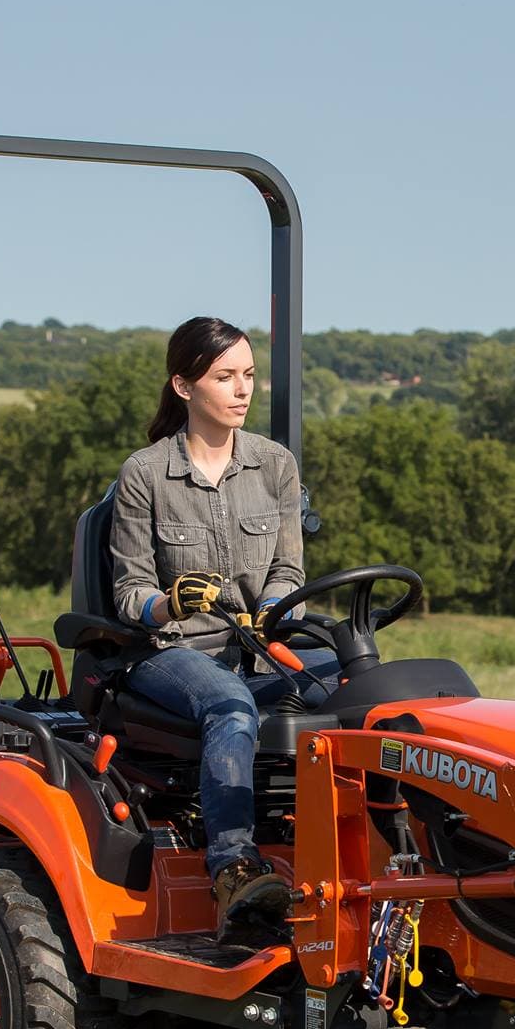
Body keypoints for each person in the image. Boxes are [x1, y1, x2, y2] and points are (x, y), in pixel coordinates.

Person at [108, 315, 333, 937]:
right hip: (169, 651)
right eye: (225, 377)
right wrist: (172, 604)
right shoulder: (145, 475)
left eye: (249, 376)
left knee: (358, 686)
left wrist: (278, 607)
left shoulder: (275, 466)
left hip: (259, 643)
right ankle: (233, 866)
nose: (242, 391)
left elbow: (289, 567)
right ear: (184, 387)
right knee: (231, 706)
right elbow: (131, 596)